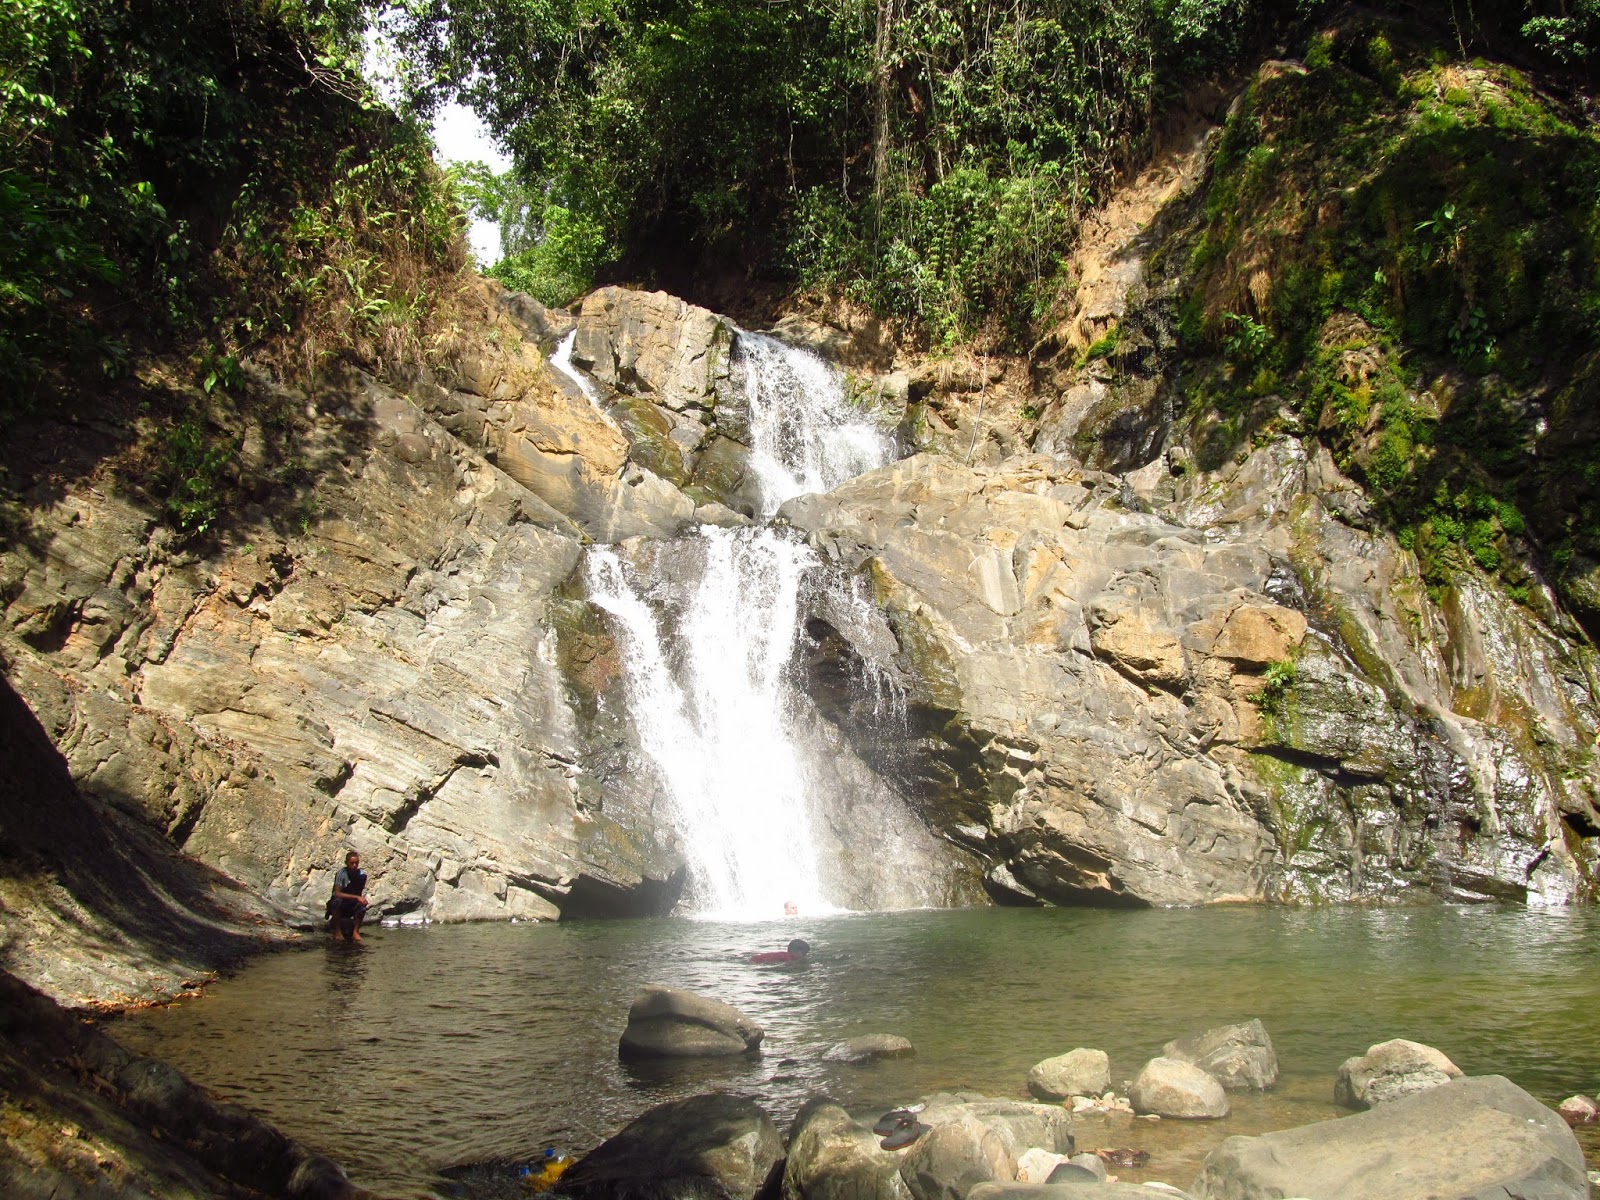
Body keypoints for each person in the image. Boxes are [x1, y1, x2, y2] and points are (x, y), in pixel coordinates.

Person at [327, 850, 369, 942]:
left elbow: (358, 892)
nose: (354, 865)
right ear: (346, 863)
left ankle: (355, 931)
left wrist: (360, 899)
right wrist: (356, 897)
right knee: (336, 901)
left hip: (351, 902)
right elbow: (336, 893)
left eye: (356, 863)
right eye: (352, 863)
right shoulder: (341, 874)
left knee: (362, 906)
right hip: (341, 902)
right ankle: (337, 931)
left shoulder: (362, 875)